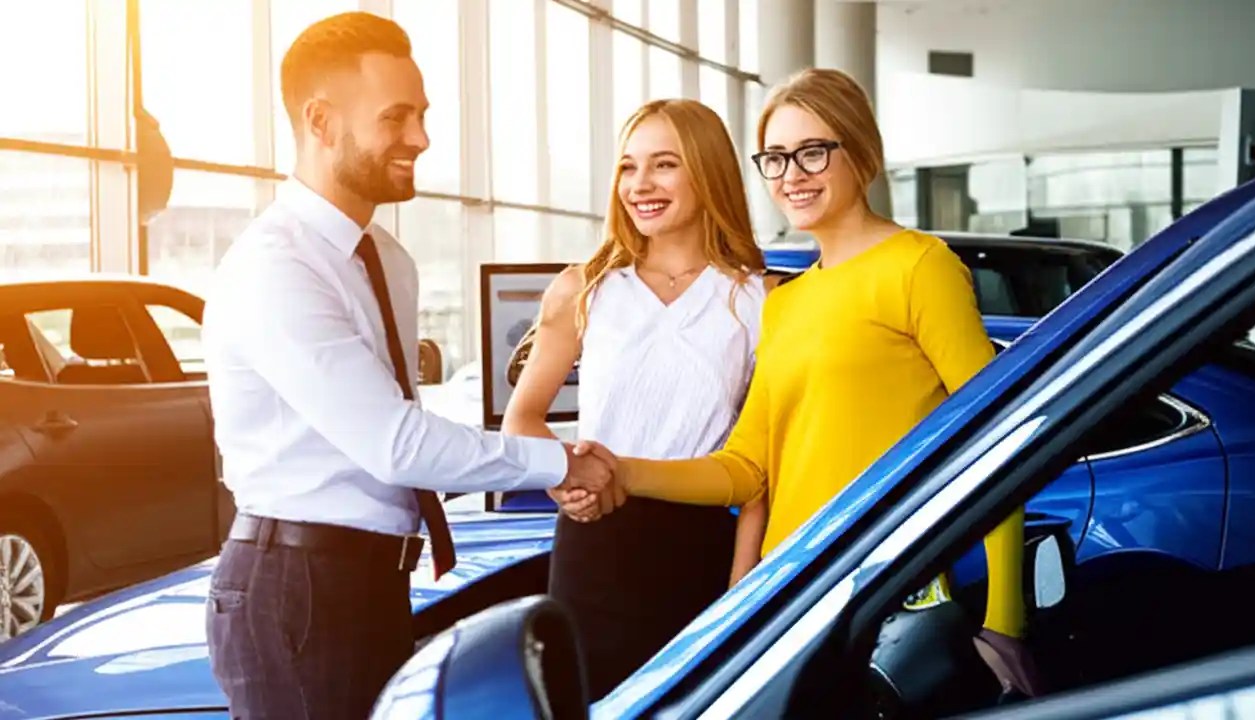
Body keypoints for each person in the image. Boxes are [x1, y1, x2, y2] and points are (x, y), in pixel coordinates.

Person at [574, 68, 1044, 700]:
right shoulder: (787, 304)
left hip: (883, 593)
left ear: (863, 154)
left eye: (813, 152)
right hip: (792, 600)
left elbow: (1000, 439)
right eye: (775, 158)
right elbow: (745, 468)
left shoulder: (919, 266)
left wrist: (1004, 624)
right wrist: (622, 471)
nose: (792, 175)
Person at [200, 12, 616, 719]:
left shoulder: (387, 260)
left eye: (422, 115)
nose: (421, 138)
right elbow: (394, 443)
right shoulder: (276, 268)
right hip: (294, 584)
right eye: (397, 117)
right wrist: (561, 464)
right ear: (321, 121)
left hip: (368, 579)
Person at [502, 98, 770, 701]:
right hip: (595, 539)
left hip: (702, 544)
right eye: (628, 167)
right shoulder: (585, 287)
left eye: (664, 165)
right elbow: (524, 416)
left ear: (708, 172)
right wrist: (561, 481)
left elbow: (762, 466)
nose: (640, 185)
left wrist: (743, 585)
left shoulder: (757, 299)